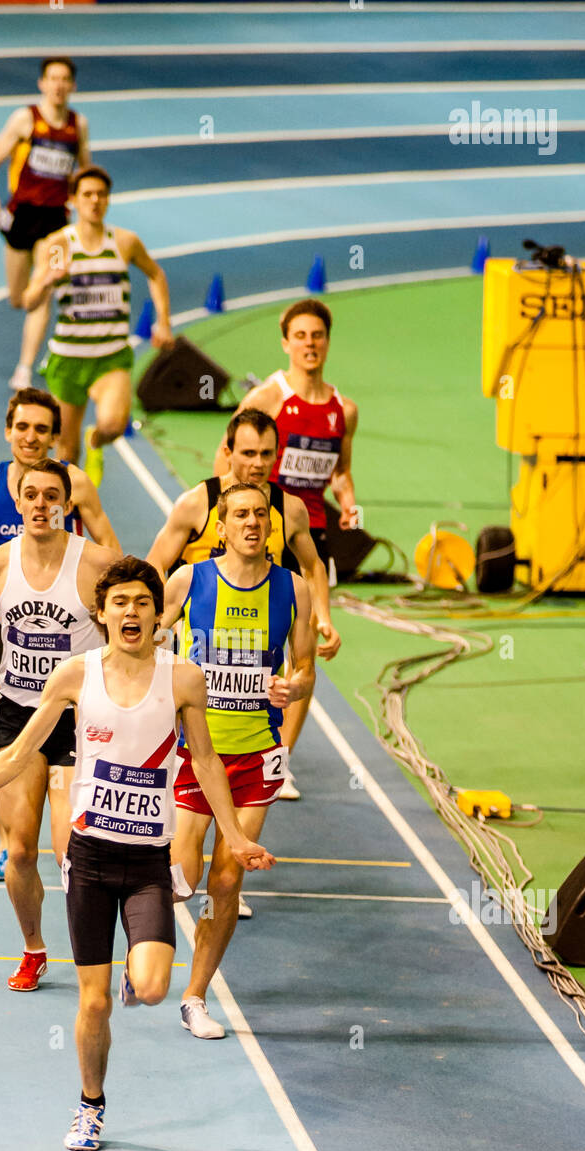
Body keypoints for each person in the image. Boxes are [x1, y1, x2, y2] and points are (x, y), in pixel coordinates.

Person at [0, 556, 275, 1151]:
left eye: (142, 602)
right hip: (87, 859)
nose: (131, 612)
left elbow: (207, 761)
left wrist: (236, 838)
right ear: (102, 613)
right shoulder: (75, 675)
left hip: (145, 866)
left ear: (156, 612)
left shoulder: (184, 678)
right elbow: (16, 753)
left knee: (155, 988)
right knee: (94, 1000)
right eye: (120, 603)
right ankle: (91, 1106)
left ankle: (140, 976)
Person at [147, 405, 340, 919]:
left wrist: (321, 619)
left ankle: (228, 888)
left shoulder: (289, 514)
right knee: (181, 866)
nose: (256, 464)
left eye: (266, 455)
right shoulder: (197, 505)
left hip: (255, 705)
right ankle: (163, 908)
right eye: (247, 453)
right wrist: (141, 628)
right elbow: (154, 566)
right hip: (198, 683)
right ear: (228, 453)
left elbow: (313, 569)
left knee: (225, 876)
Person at [0, 458, 120, 992]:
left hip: (76, 718)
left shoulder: (98, 567)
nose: (41, 504)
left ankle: (99, 953)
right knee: (20, 851)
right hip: (18, 717)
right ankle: (34, 950)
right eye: (31, 495)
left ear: (68, 504)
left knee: (70, 851)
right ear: (16, 503)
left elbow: (142, 619)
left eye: (51, 496)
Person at [0, 388, 120, 881]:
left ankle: (59, 841)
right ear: (8, 430)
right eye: (22, 426)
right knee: (9, 730)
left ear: (55, 436)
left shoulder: (72, 483)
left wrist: (108, 603)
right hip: (3, 628)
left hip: (72, 627)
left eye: (41, 428)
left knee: (65, 830)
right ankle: (10, 844)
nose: (31, 436)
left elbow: (113, 550)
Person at [161, 485, 315, 1039]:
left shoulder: (293, 590)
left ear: (271, 526)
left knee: (228, 881)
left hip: (257, 754)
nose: (251, 523)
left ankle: (195, 997)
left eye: (260, 515)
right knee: (184, 874)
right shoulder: (189, 581)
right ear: (221, 527)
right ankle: (146, 950)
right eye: (239, 515)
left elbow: (305, 669)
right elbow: (151, 640)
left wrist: (291, 690)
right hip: (196, 751)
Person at [213, 299, 359, 799]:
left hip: (309, 534)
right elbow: (228, 452)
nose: (310, 343)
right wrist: (224, 508)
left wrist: (350, 501)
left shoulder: (344, 411)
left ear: (328, 340)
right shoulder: (269, 396)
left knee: (303, 656)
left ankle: (279, 761)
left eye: (317, 334)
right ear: (285, 342)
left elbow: (340, 471)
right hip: (259, 527)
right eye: (300, 335)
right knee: (248, 644)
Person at [23, 165, 173, 487]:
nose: (95, 201)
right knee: (66, 450)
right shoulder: (57, 245)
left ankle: (98, 441)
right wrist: (49, 279)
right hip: (68, 359)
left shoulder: (124, 242)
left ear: (108, 200)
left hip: (111, 356)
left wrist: (163, 322)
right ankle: (65, 516)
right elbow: (30, 301)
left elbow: (156, 274)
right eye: (87, 195)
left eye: (101, 195)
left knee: (114, 424)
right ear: (73, 200)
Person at [0, 57, 91, 390]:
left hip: (55, 222)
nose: (58, 85)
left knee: (44, 289)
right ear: (42, 83)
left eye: (64, 79)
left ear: (72, 85)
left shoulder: (78, 124)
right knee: (19, 297)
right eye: (52, 79)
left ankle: (25, 368)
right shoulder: (25, 119)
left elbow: (83, 172)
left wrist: (84, 211)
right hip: (21, 216)